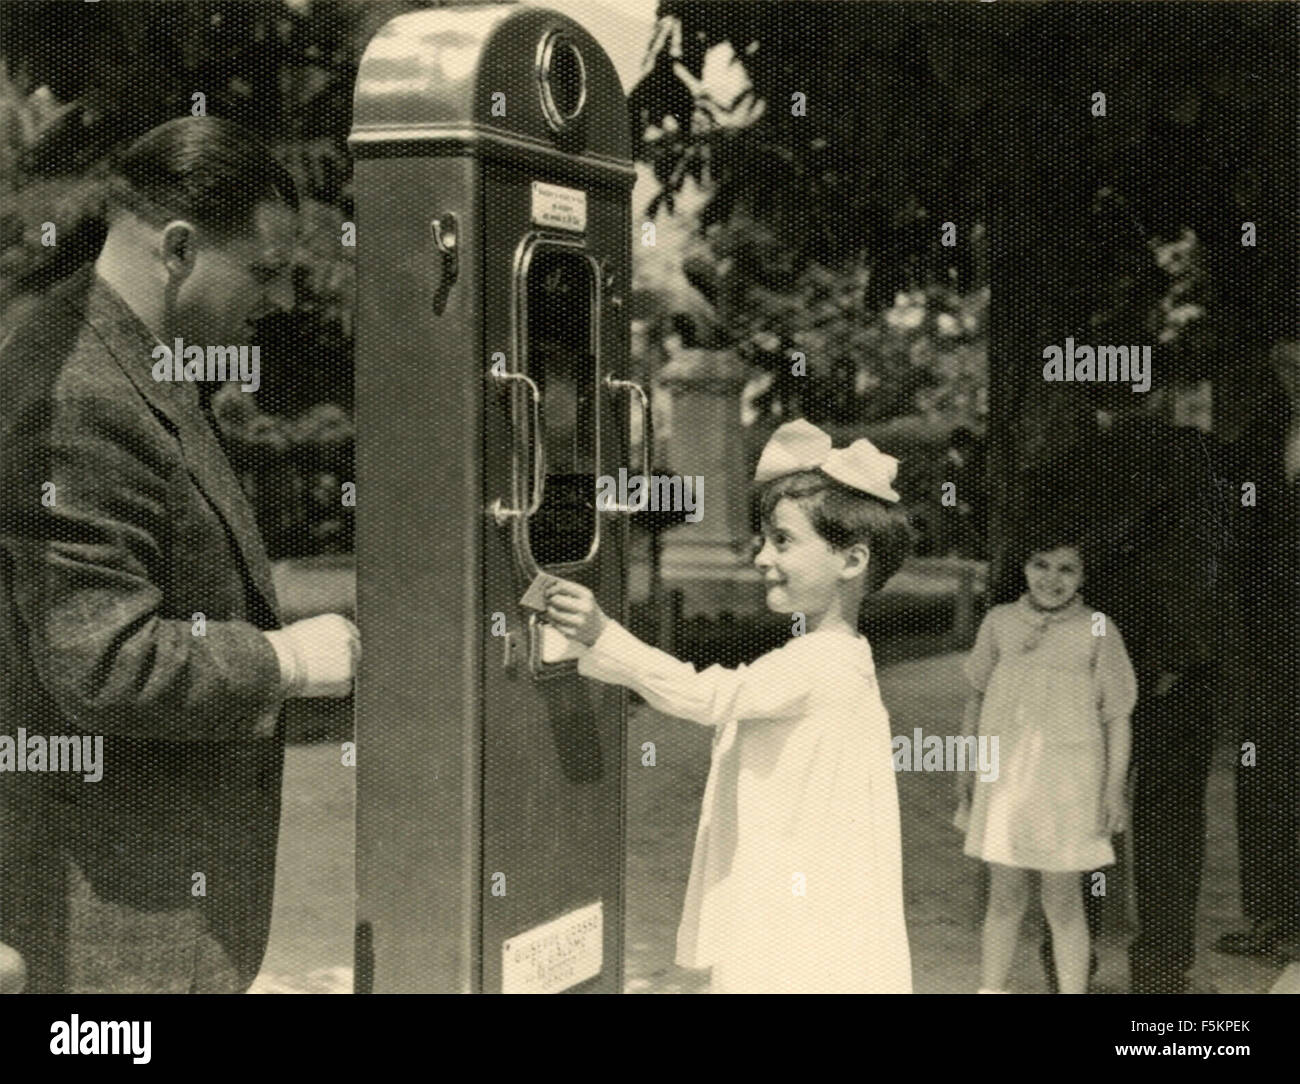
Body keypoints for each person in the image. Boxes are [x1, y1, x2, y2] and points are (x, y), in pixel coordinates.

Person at [0, 116, 359, 993]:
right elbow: (102, 660)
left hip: (146, 895)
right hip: (115, 919)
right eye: (265, 272)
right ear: (178, 247)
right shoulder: (81, 392)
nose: (277, 302)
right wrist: (285, 660)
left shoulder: (127, 361)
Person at [545, 418, 915, 993]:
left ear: (852, 561)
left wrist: (603, 634)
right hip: (818, 875)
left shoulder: (813, 664)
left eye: (784, 541)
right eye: (764, 540)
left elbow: (706, 695)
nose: (763, 556)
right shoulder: (848, 656)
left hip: (792, 886)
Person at [954, 528, 1136, 993]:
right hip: (1006, 783)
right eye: (1041, 564)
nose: (1051, 578)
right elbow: (975, 699)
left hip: (1067, 784)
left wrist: (1114, 788)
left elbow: (1117, 716)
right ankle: (992, 989)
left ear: (1084, 576)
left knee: (1063, 900)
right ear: (1023, 566)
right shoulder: (998, 621)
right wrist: (966, 766)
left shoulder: (1097, 628)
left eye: (1066, 568)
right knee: (1004, 896)